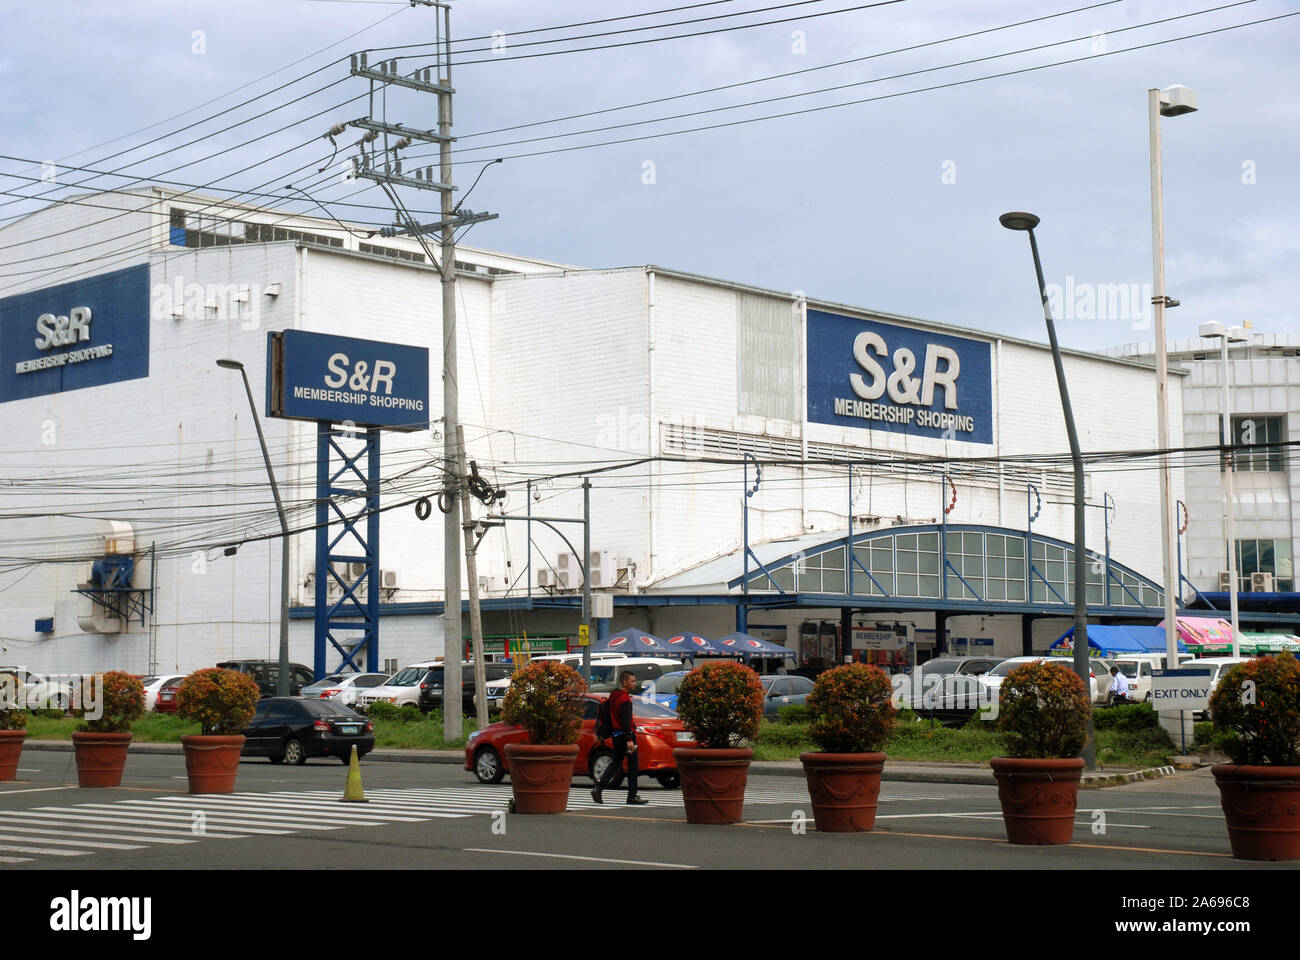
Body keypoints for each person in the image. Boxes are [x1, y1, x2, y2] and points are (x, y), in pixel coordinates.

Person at [592, 671, 647, 805]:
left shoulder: (614, 695)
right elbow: (626, 721)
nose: (635, 683)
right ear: (625, 682)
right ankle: (632, 796)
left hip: (616, 735)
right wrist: (629, 739)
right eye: (632, 681)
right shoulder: (625, 700)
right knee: (633, 766)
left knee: (615, 763)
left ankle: (598, 788)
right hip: (626, 736)